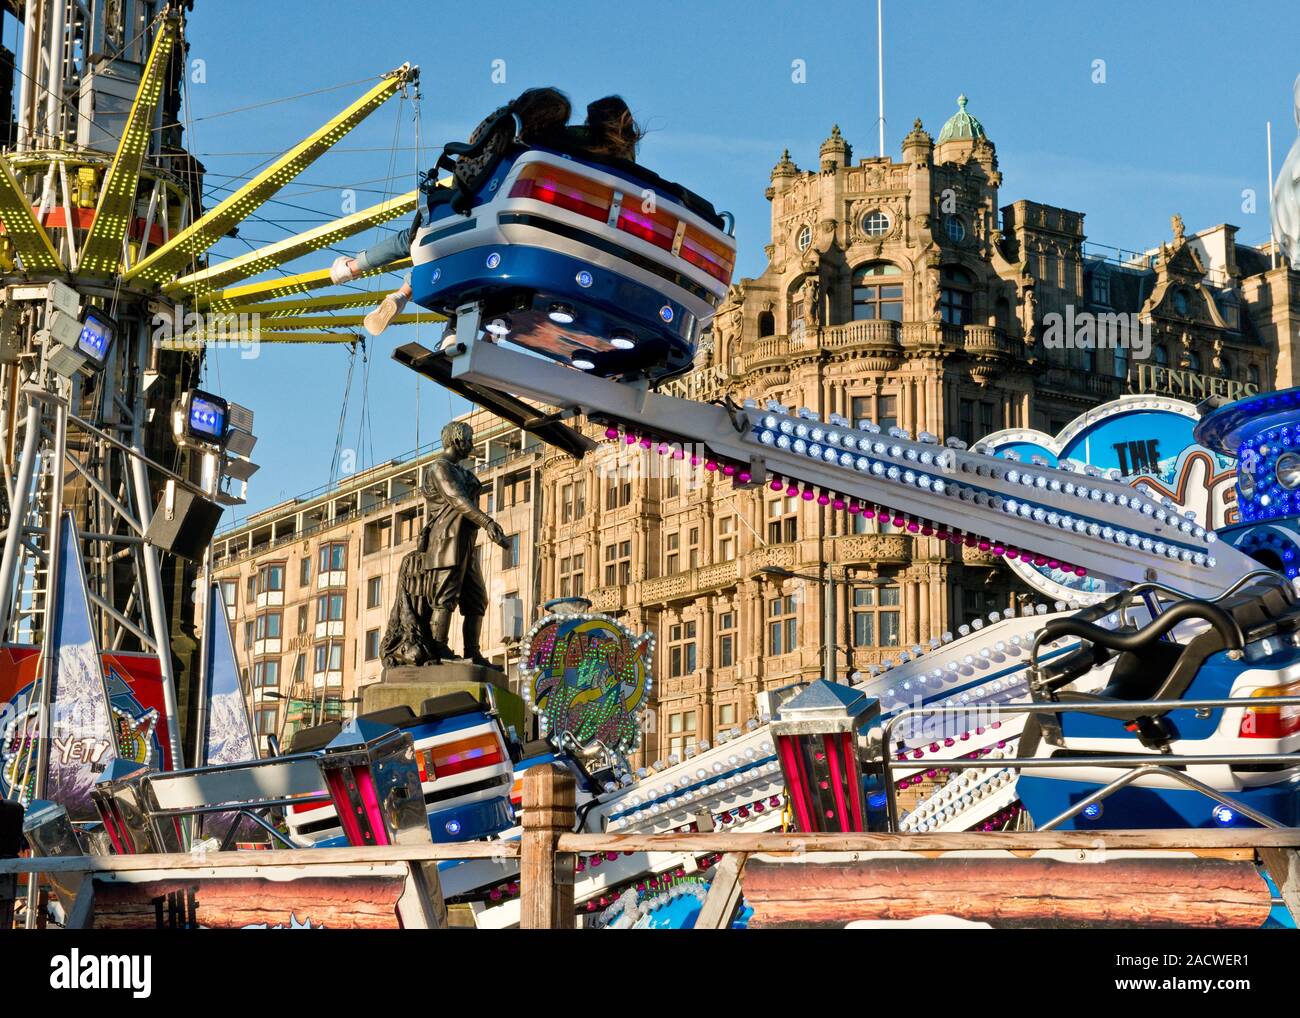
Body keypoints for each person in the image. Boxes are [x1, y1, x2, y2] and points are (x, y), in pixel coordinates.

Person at [330, 87, 573, 335]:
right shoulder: (540, 150)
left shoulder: (501, 121)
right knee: (461, 263)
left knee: (417, 237)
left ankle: (352, 268)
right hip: (501, 216)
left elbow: (468, 156)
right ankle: (444, 328)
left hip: (469, 197)